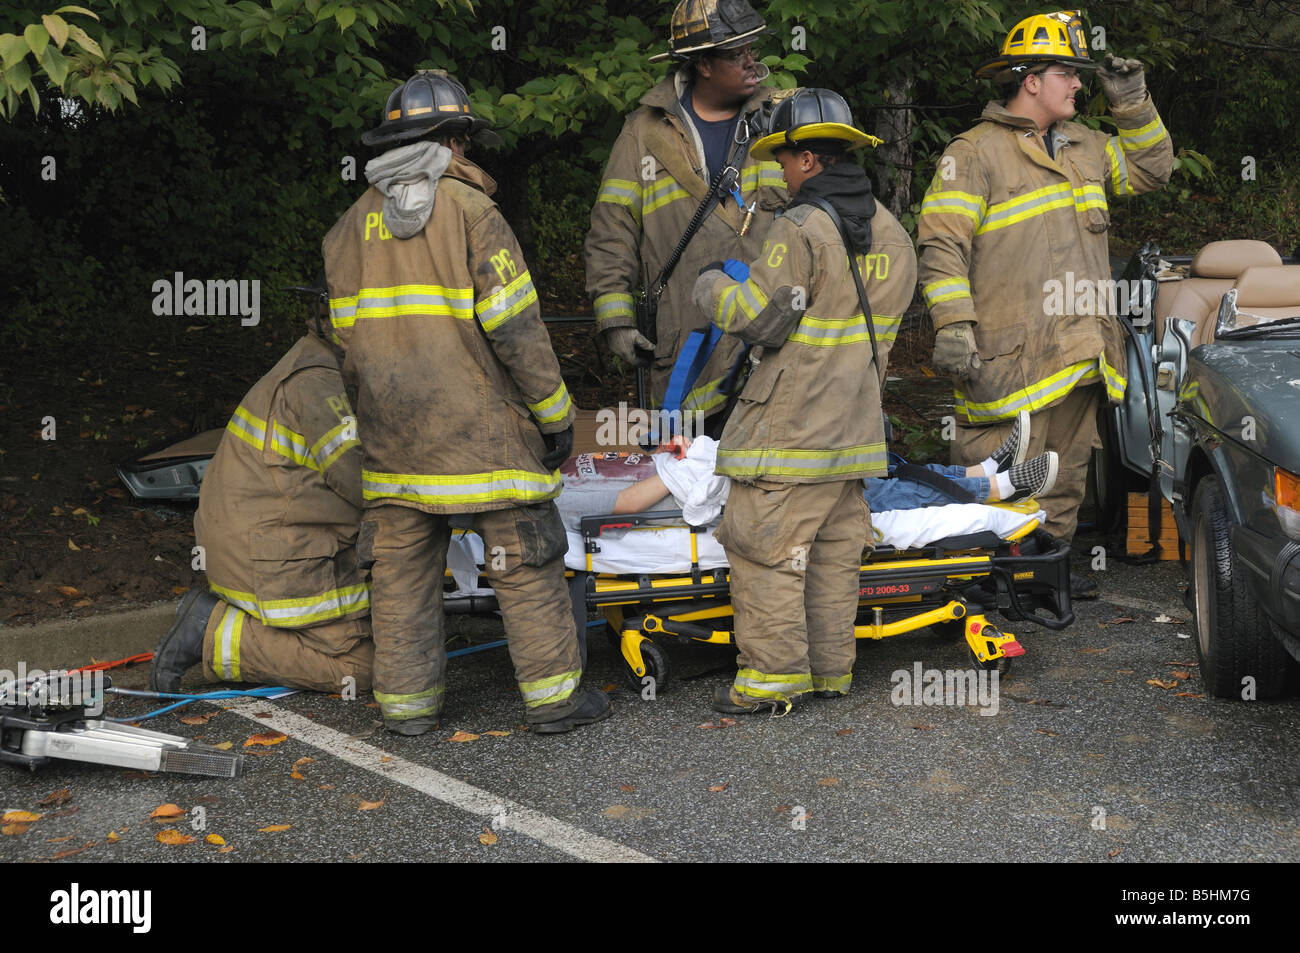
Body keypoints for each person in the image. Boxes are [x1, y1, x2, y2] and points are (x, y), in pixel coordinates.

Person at [321, 70, 610, 736]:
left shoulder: (346, 231)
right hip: (484, 438)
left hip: (395, 442)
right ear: (454, 141)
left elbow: (345, 351)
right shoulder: (475, 212)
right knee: (525, 556)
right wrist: (555, 415)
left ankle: (409, 709)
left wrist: (374, 422)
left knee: (399, 572)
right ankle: (555, 699)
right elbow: (517, 330)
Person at [917, 10, 1172, 598]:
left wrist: (1132, 103)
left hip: (1080, 346)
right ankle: (988, 570)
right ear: (1031, 80)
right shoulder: (975, 153)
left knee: (1066, 467)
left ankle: (1046, 568)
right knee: (1000, 461)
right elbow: (941, 242)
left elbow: (1154, 171)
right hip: (1011, 352)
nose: (1080, 84)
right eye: (1068, 73)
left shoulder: (1087, 146)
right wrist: (954, 322)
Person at [691, 88, 899, 714]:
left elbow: (758, 319)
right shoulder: (892, 233)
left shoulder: (799, 230)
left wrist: (709, 287)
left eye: (785, 159)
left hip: (788, 430)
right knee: (834, 557)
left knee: (766, 550)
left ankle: (771, 681)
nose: (780, 171)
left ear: (809, 160)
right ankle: (831, 673)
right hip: (855, 431)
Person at [585, 0, 791, 418]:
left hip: (774, 344)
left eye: (752, 49)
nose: (752, 62)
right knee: (688, 476)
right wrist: (616, 319)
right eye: (736, 54)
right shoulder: (644, 132)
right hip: (687, 351)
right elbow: (612, 230)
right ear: (703, 65)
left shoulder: (783, 117)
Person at [150, 309, 372, 695]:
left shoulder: (315, 362)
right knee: (370, 667)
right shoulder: (318, 384)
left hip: (265, 543)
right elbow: (364, 482)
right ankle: (212, 632)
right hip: (278, 557)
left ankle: (228, 625)